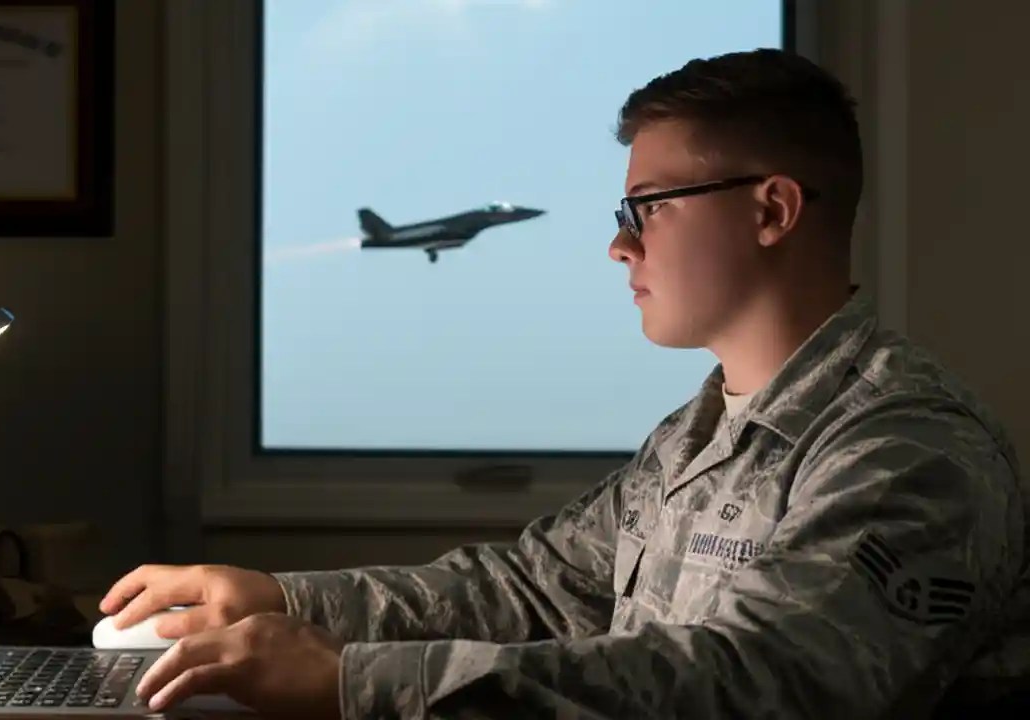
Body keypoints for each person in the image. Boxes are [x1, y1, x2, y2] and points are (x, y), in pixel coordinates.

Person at [100, 48, 1029, 718]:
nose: (620, 244)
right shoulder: (694, 438)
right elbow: (539, 589)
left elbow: (761, 683)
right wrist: (279, 601)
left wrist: (352, 682)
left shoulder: (907, 451)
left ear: (772, 210)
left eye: (647, 208)